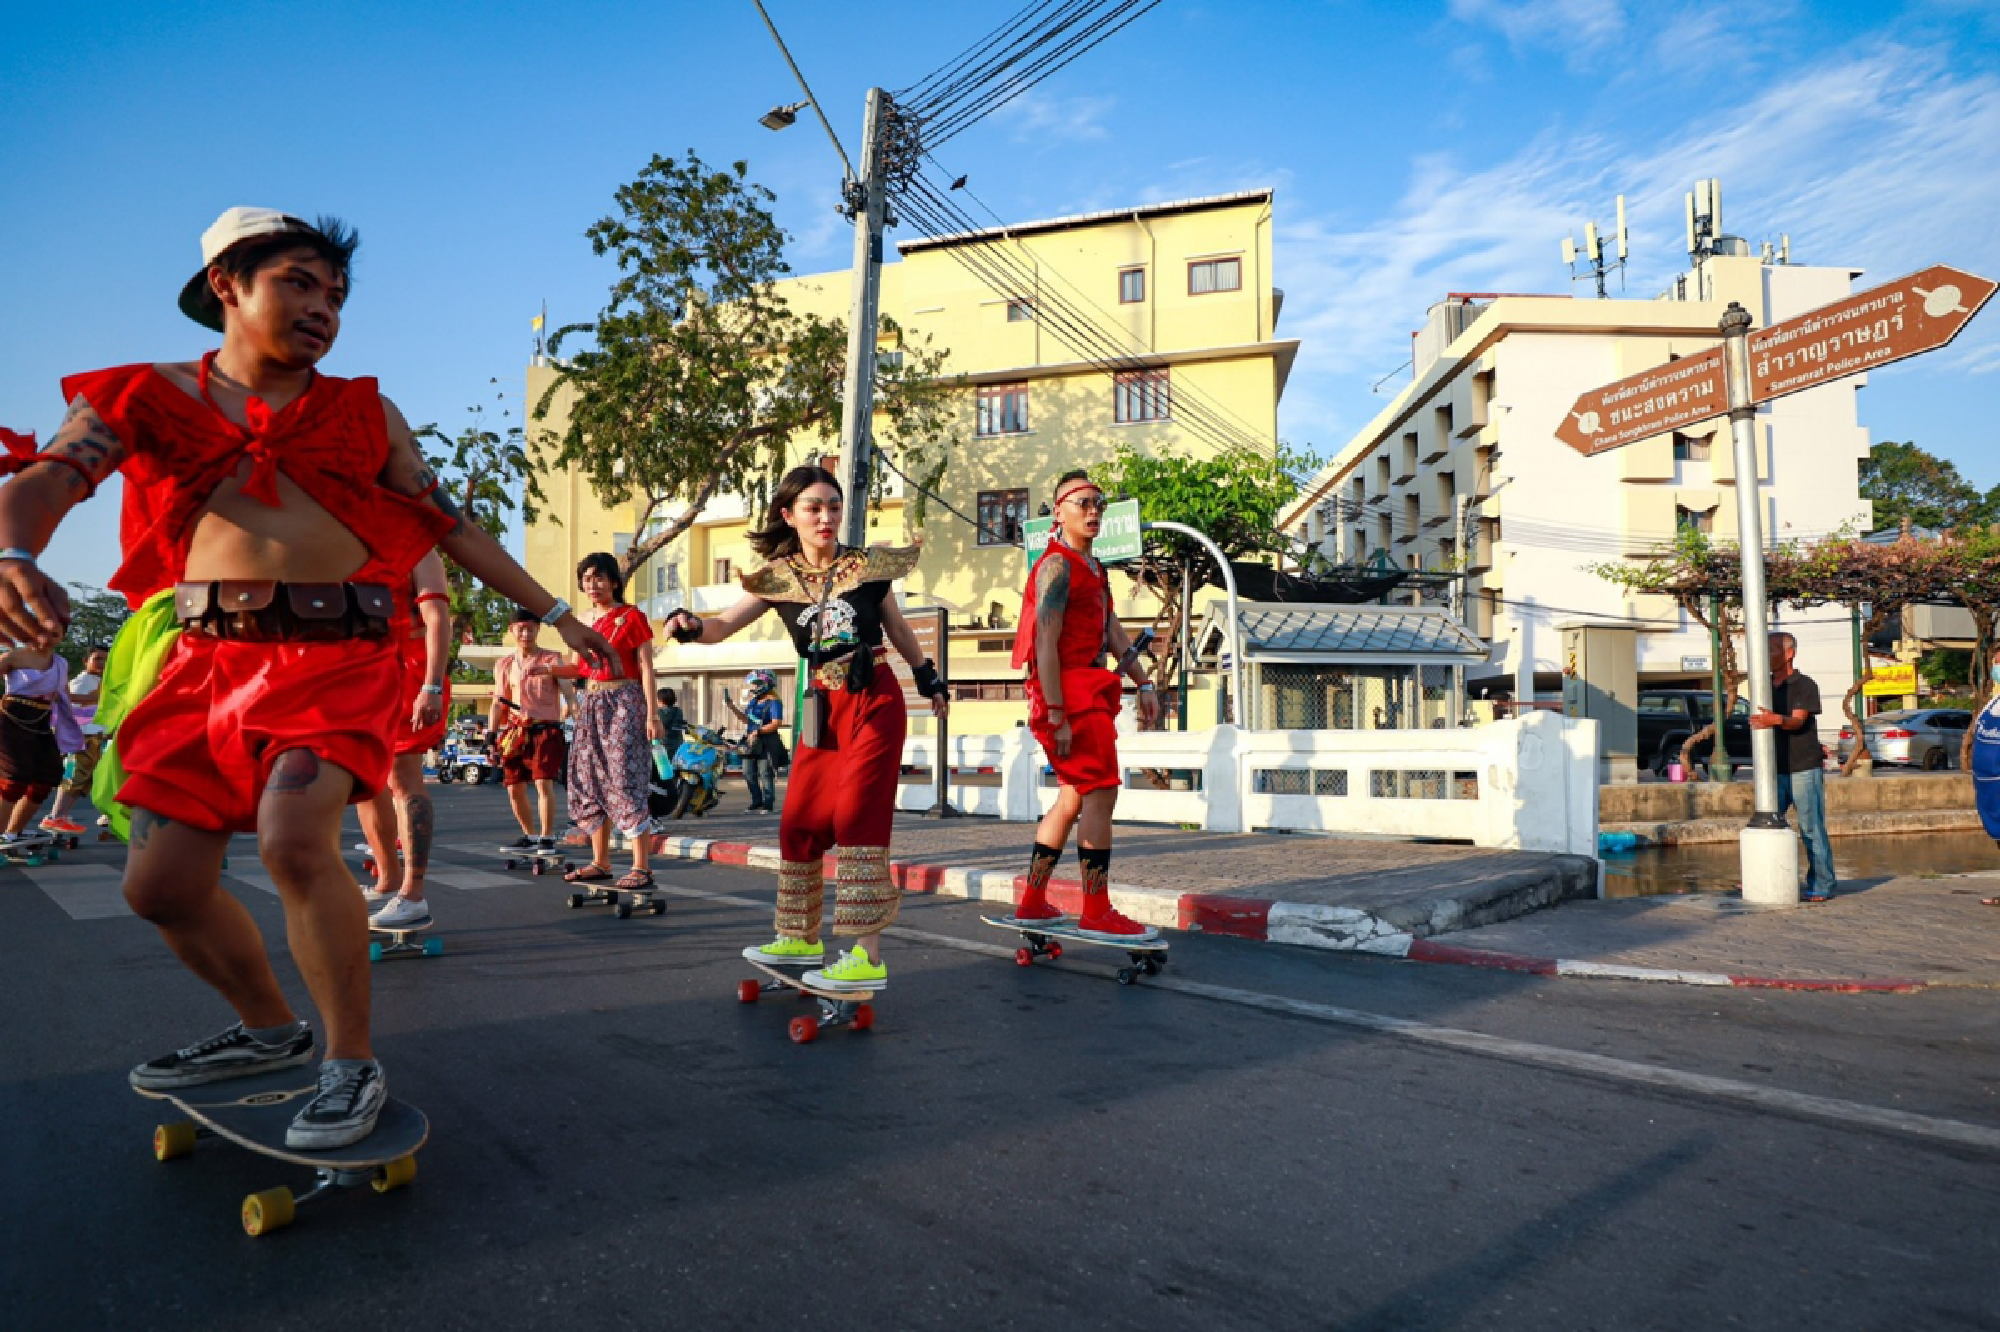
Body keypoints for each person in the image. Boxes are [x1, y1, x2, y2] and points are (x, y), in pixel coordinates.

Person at [0, 207, 615, 1148]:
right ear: (227, 286)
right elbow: (45, 482)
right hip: (202, 666)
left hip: (340, 660)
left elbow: (450, 526)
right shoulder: (141, 396)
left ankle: (349, 1062)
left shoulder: (366, 414)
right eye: (298, 281)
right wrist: (11, 550)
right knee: (157, 888)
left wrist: (563, 613)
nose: (324, 308)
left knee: (295, 842)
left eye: (336, 293)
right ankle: (266, 1030)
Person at [662, 465, 948, 992]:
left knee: (857, 815)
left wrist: (930, 679)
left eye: (833, 506)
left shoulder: (867, 567)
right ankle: (799, 938)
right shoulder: (777, 577)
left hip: (873, 700)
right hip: (822, 708)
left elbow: (899, 629)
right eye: (814, 507)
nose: (826, 516)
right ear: (789, 516)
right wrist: (691, 626)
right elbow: (722, 625)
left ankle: (867, 955)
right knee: (800, 820)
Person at [1007, 469, 1161, 938]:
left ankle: (1032, 901)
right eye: (1083, 503)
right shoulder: (1055, 566)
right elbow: (1046, 642)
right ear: (1059, 513)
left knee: (1072, 799)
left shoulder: (1094, 568)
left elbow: (1112, 630)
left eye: (1099, 503)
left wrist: (1143, 681)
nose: (1093, 511)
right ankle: (1096, 909)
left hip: (1086, 690)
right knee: (1100, 793)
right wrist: (1056, 714)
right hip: (1066, 693)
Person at [534, 553, 658, 894]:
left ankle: (641, 867)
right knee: (588, 776)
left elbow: (646, 667)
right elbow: (580, 668)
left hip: (625, 701)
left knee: (623, 775)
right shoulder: (581, 622)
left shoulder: (632, 617)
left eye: (600, 578)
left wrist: (652, 714)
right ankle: (600, 862)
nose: (594, 585)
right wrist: (547, 670)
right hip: (591, 702)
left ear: (615, 581)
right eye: (587, 579)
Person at [358, 551, 452, 931]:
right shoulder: (352, 539)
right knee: (364, 781)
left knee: (402, 778)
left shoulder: (418, 549)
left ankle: (413, 895)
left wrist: (430, 685)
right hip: (363, 671)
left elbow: (436, 618)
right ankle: (388, 880)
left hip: (407, 673)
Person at [1750, 630, 1836, 902]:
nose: (1766, 656)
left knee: (1810, 828)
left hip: (1802, 766)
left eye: (1772, 649)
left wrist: (1776, 720)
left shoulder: (1804, 685)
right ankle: (1760, 877)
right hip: (1773, 768)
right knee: (1764, 823)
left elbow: (1797, 721)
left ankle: (1821, 883)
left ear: (1789, 653)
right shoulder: (1762, 685)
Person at [491, 606, 574, 852]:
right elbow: (498, 701)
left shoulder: (552, 659)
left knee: (542, 783)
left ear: (538, 629)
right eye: (521, 629)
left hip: (545, 729)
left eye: (530, 629)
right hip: (515, 732)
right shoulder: (504, 664)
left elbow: (569, 694)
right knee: (513, 787)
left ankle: (547, 837)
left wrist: (577, 718)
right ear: (512, 631)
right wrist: (490, 734)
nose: (525, 634)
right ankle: (530, 835)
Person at [0, 641, 82, 850]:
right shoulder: (13, 657)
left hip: (40, 721)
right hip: (11, 719)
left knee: (48, 776)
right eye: (41, 631)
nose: (47, 637)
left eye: (56, 632)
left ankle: (14, 831)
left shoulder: (60, 663)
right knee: (15, 778)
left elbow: (65, 696)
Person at [43, 642, 108, 835]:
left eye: (106, 660)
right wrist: (97, 696)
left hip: (93, 736)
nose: (102, 664)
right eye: (97, 659)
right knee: (73, 777)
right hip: (81, 738)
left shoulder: (97, 681)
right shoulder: (83, 681)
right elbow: (69, 700)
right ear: (85, 661)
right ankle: (56, 816)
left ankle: (61, 816)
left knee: (81, 780)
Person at [726, 668, 786, 812]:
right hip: (751, 742)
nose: (753, 687)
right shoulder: (753, 702)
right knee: (747, 772)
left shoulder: (774, 702)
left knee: (765, 773)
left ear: (766, 683)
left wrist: (758, 731)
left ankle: (768, 803)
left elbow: (776, 722)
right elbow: (746, 719)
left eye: (756, 683)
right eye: (752, 684)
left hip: (767, 740)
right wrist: (732, 707)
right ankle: (756, 801)